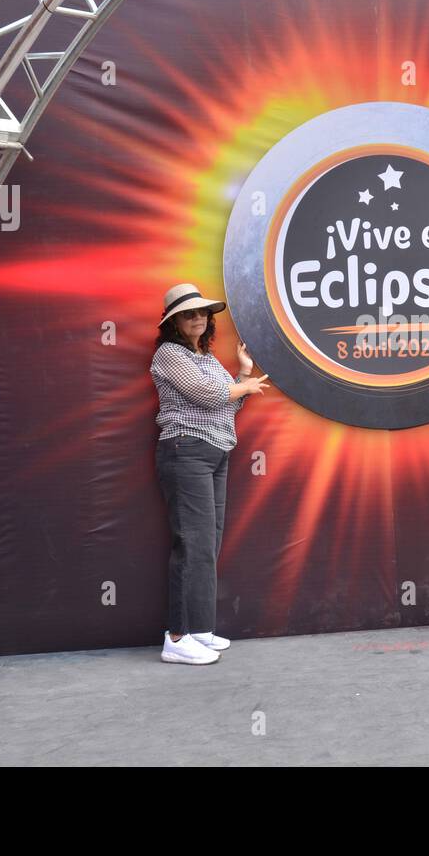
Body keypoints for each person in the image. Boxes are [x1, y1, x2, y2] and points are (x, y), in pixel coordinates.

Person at [151, 283, 269, 665]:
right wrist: (243, 385)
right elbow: (208, 396)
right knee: (194, 544)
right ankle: (177, 637)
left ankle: (200, 629)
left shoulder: (206, 359)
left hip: (215, 453)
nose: (199, 318)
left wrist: (243, 374)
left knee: (208, 544)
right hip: (185, 452)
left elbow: (225, 410)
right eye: (189, 314)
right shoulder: (169, 354)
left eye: (203, 313)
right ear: (174, 323)